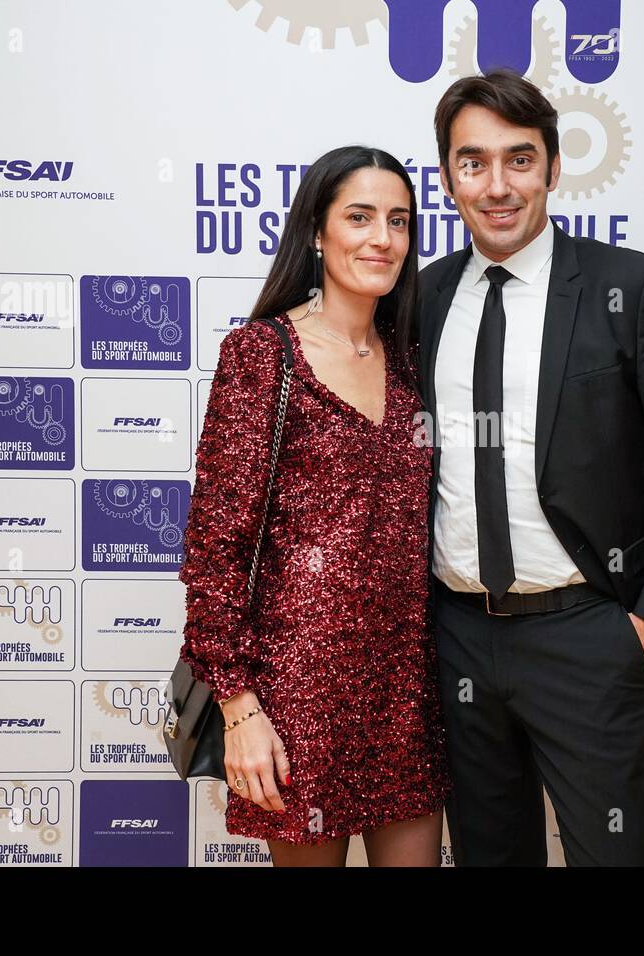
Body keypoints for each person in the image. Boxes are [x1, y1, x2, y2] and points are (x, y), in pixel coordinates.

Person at [418, 69, 644, 866]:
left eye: (520, 160)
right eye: (473, 161)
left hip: (588, 635)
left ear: (554, 169)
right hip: (454, 637)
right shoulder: (419, 300)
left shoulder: (629, 287)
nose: (497, 185)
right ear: (448, 174)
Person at [178, 145, 451, 866]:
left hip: (404, 693)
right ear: (316, 233)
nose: (381, 238)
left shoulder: (417, 363)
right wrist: (239, 709)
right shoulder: (263, 354)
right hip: (296, 694)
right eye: (358, 217)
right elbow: (214, 548)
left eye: (398, 221)